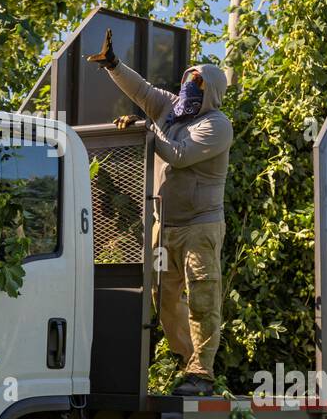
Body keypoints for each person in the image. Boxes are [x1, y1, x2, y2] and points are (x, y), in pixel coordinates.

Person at [87, 29, 232, 396]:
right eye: (186, 80)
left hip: (201, 226)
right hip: (164, 225)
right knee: (163, 299)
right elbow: (143, 92)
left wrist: (147, 131)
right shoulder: (168, 109)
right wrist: (114, 66)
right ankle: (188, 363)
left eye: (196, 84)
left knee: (202, 298)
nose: (188, 89)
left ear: (210, 91)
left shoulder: (216, 125)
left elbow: (180, 155)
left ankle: (202, 373)